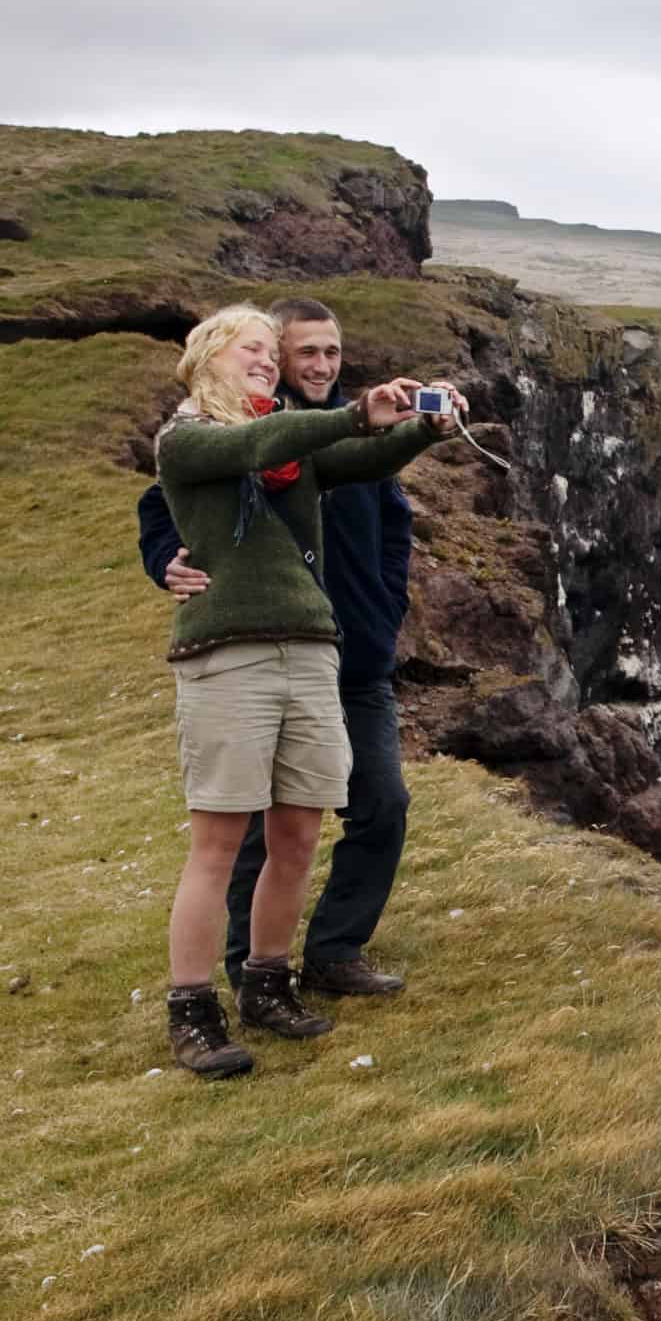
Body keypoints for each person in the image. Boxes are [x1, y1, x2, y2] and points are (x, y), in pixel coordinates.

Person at [147, 303, 462, 1079]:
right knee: (219, 843)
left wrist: (421, 429)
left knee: (295, 835)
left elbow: (356, 463)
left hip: (313, 650)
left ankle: (267, 982)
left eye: (269, 351)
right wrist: (354, 413)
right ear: (212, 355)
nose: (266, 360)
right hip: (230, 653)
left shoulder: (286, 445)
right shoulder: (187, 437)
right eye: (254, 349)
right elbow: (260, 440)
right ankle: (192, 1009)